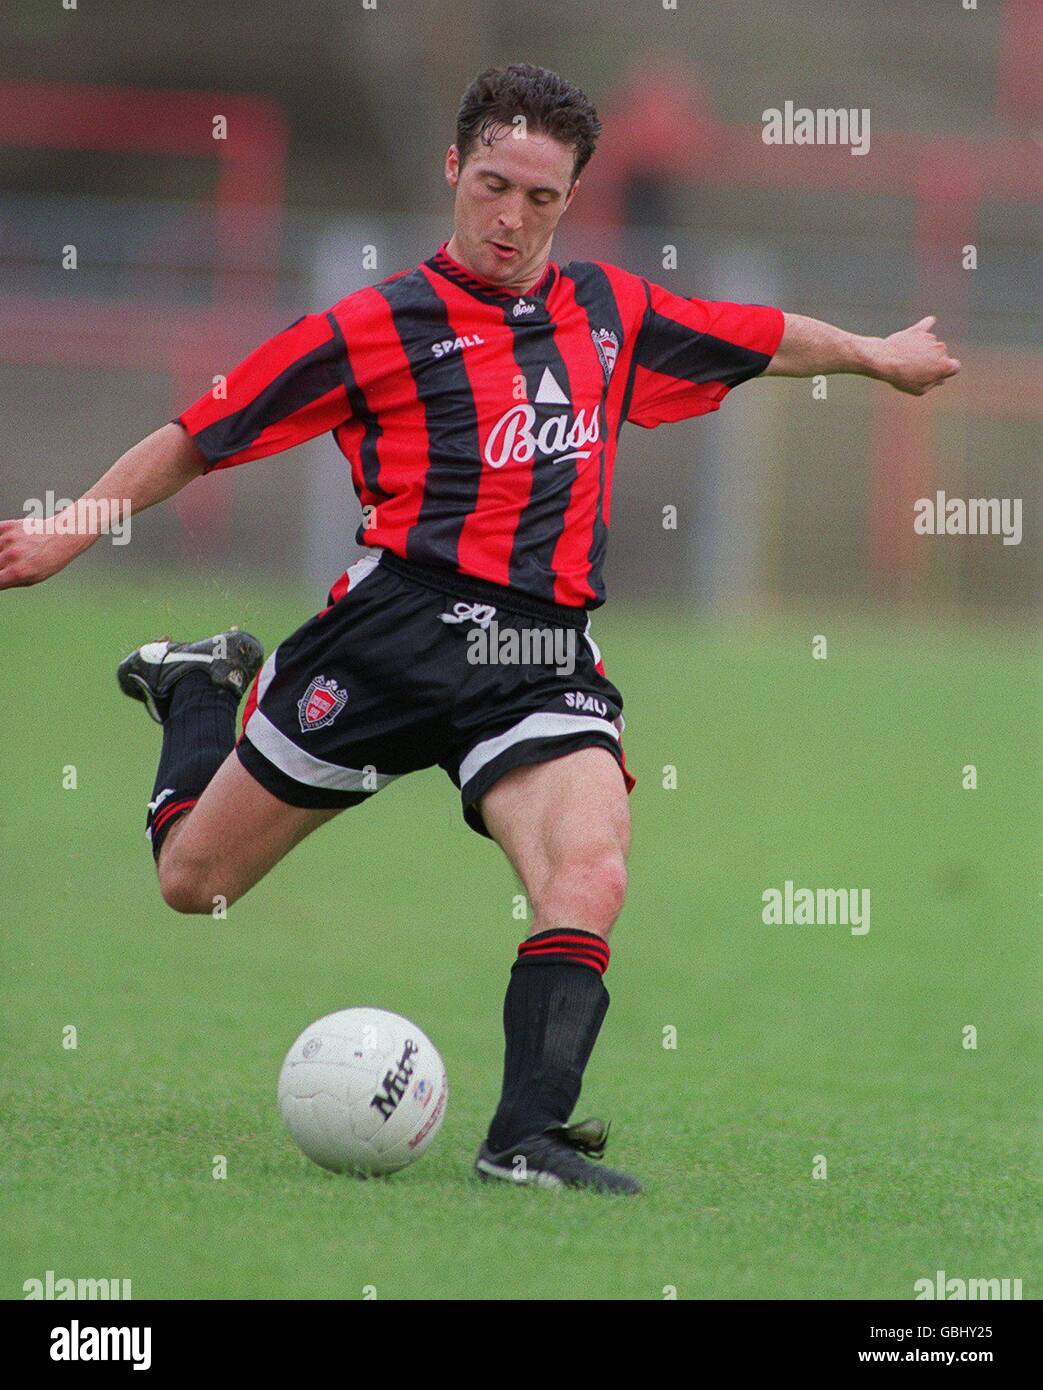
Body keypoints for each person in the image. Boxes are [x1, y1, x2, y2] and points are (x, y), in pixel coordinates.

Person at [0, 64, 960, 1193]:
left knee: (588, 866)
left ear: (572, 200)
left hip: (541, 654)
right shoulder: (372, 326)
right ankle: (201, 687)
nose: (510, 218)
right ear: (454, 169)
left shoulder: (611, 310)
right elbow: (198, 435)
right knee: (193, 884)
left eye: (541, 199)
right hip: (388, 639)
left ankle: (525, 1140)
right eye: (493, 185)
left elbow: (761, 337)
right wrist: (68, 529)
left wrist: (875, 354)